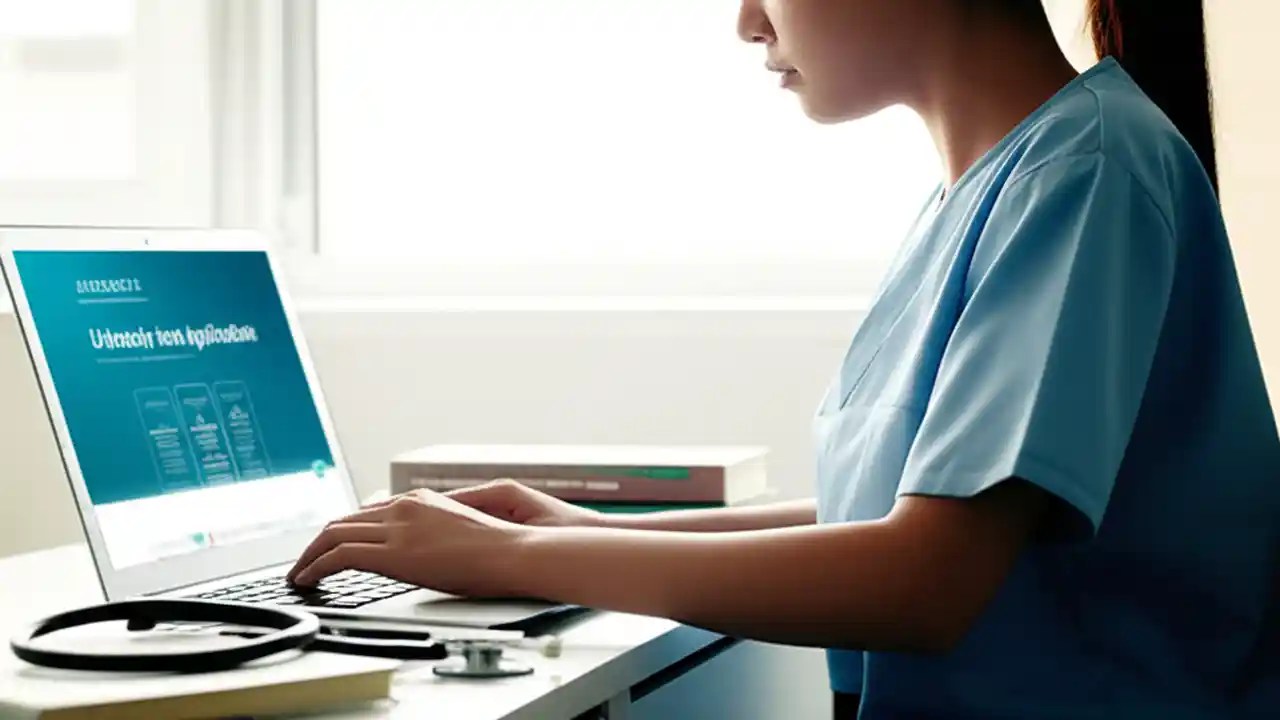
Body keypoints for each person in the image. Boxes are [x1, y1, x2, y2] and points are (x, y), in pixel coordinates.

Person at [289, 1, 1280, 716]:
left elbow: (921, 579)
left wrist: (516, 558)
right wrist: (597, 529)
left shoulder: (1084, 176)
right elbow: (910, 509)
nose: (745, 21)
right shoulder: (1002, 184)